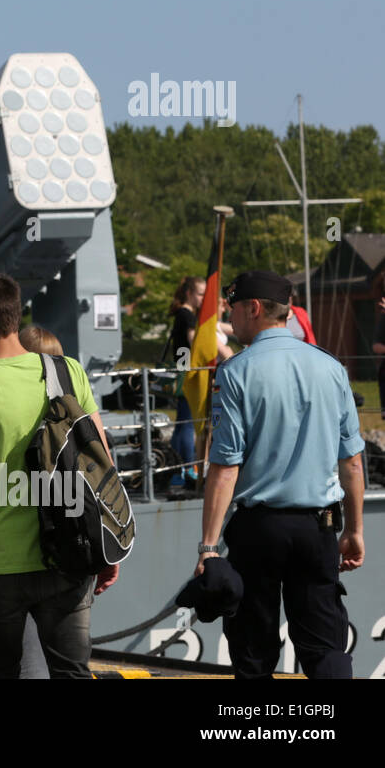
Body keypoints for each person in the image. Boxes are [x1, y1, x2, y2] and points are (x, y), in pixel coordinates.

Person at [0, 270, 119, 679]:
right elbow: (102, 465)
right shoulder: (68, 372)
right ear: (17, 315)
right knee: (72, 672)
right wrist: (108, 544)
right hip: (69, 553)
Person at [199, 270, 366, 679]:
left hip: (259, 529)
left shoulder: (235, 372)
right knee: (325, 646)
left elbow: (225, 466)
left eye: (234, 308)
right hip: (319, 528)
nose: (230, 317)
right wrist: (354, 530)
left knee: (253, 649)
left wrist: (208, 547)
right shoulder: (331, 368)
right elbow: (352, 462)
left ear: (254, 308)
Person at [165, 276, 205, 486]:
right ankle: (188, 467)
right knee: (187, 423)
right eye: (200, 294)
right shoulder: (187, 315)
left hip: (181, 370)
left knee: (182, 423)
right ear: (190, 293)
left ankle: (176, 468)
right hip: (187, 374)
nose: (203, 299)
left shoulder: (182, 314)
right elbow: (194, 342)